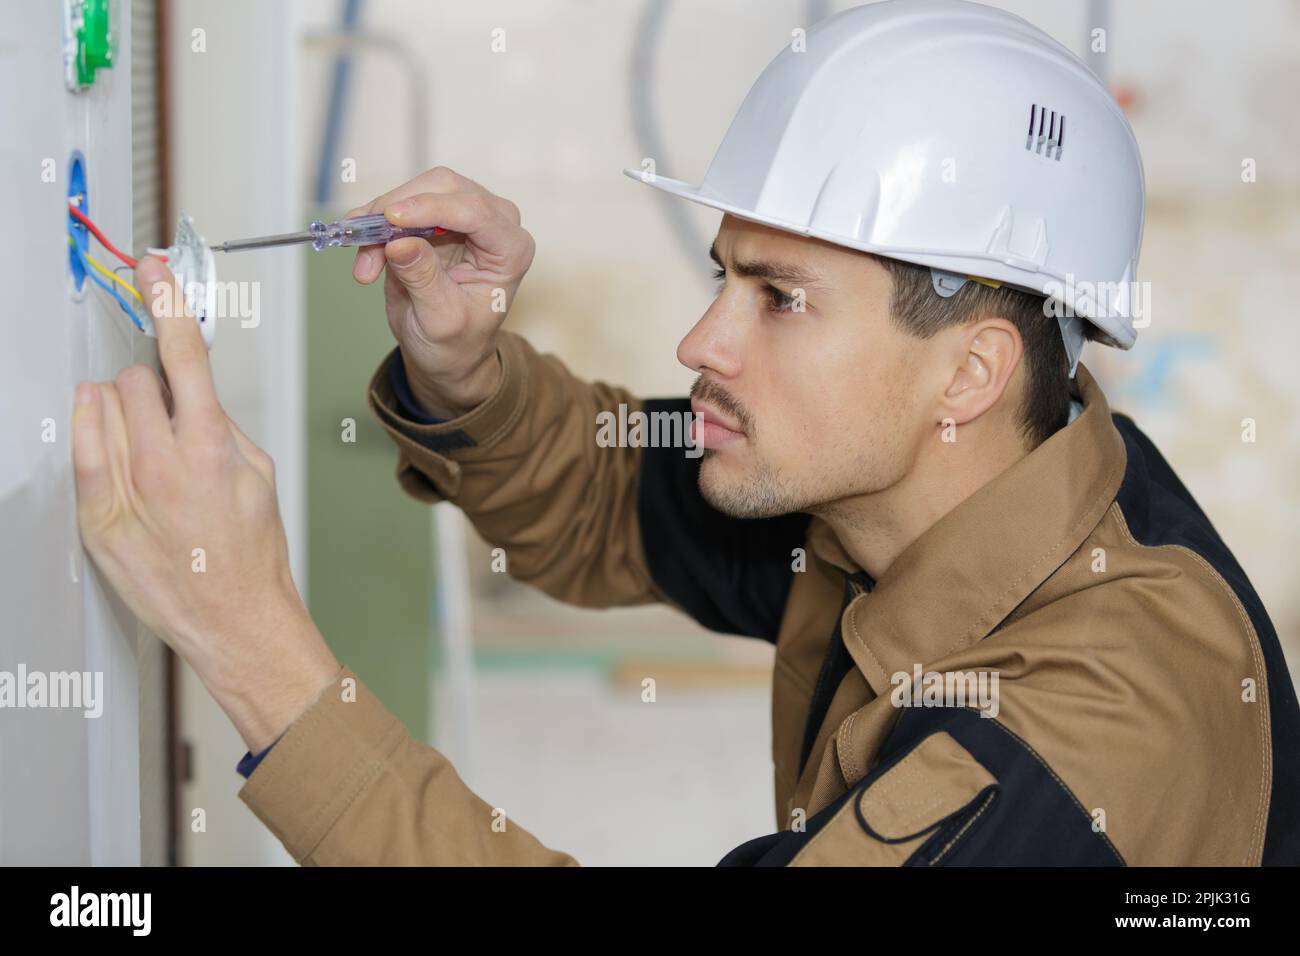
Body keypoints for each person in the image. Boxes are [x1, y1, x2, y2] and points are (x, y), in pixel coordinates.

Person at [72, 0, 1299, 865]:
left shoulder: (1089, 735)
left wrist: (255, 649)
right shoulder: (911, 495)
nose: (700, 341)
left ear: (969, 372)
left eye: (779, 297)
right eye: (725, 277)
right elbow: (615, 498)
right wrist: (466, 371)